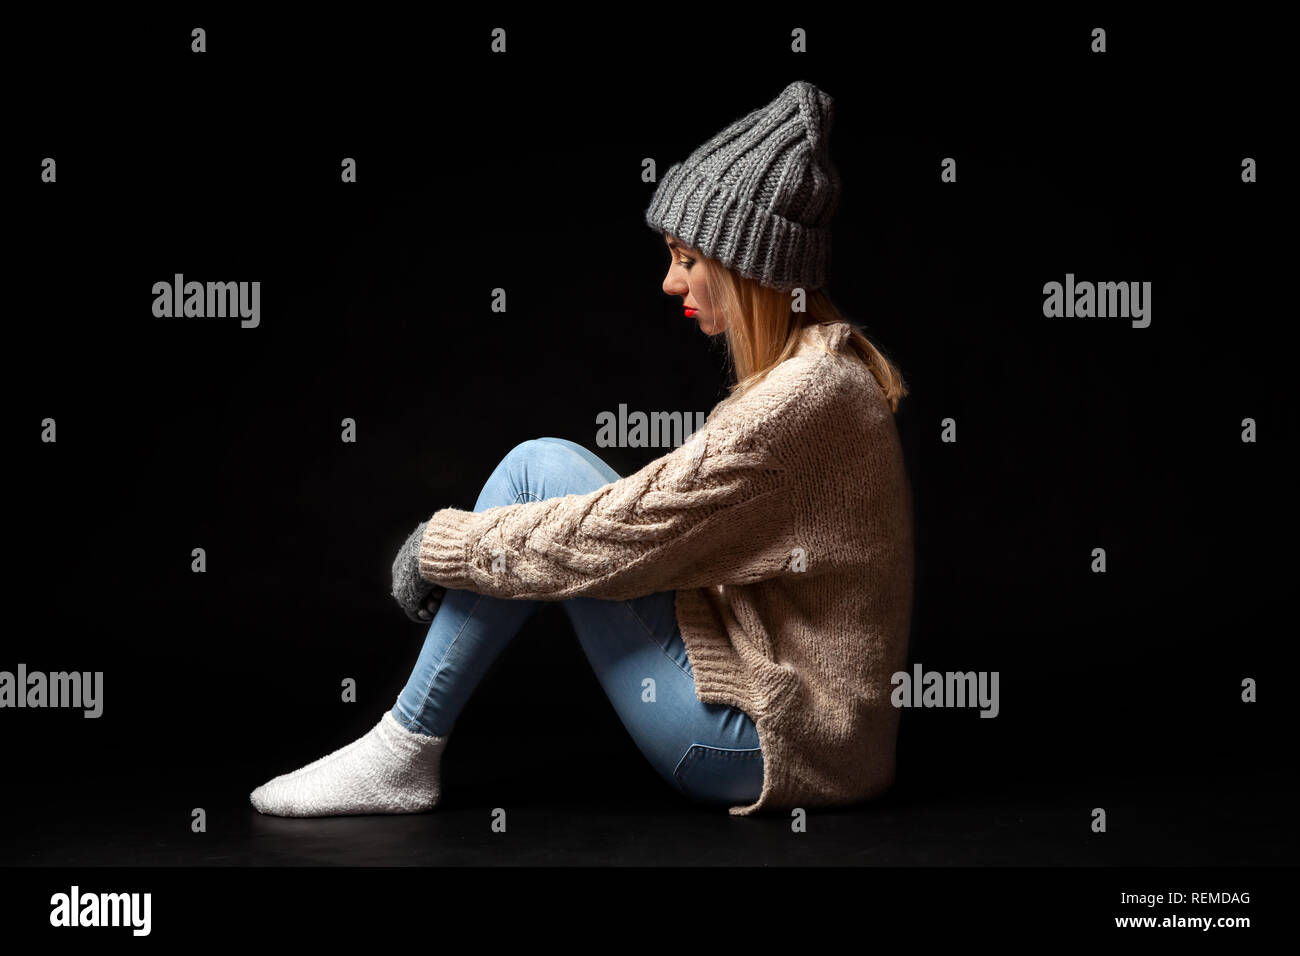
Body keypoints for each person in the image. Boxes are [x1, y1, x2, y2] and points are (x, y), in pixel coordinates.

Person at [249, 79, 914, 819]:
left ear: (745, 264)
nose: (670, 282)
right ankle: (403, 748)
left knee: (549, 502)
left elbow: (620, 531)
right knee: (541, 466)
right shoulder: (822, 372)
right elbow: (656, 527)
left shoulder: (804, 397)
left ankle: (402, 750)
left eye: (686, 257)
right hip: (807, 727)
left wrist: (444, 545)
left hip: (766, 745)